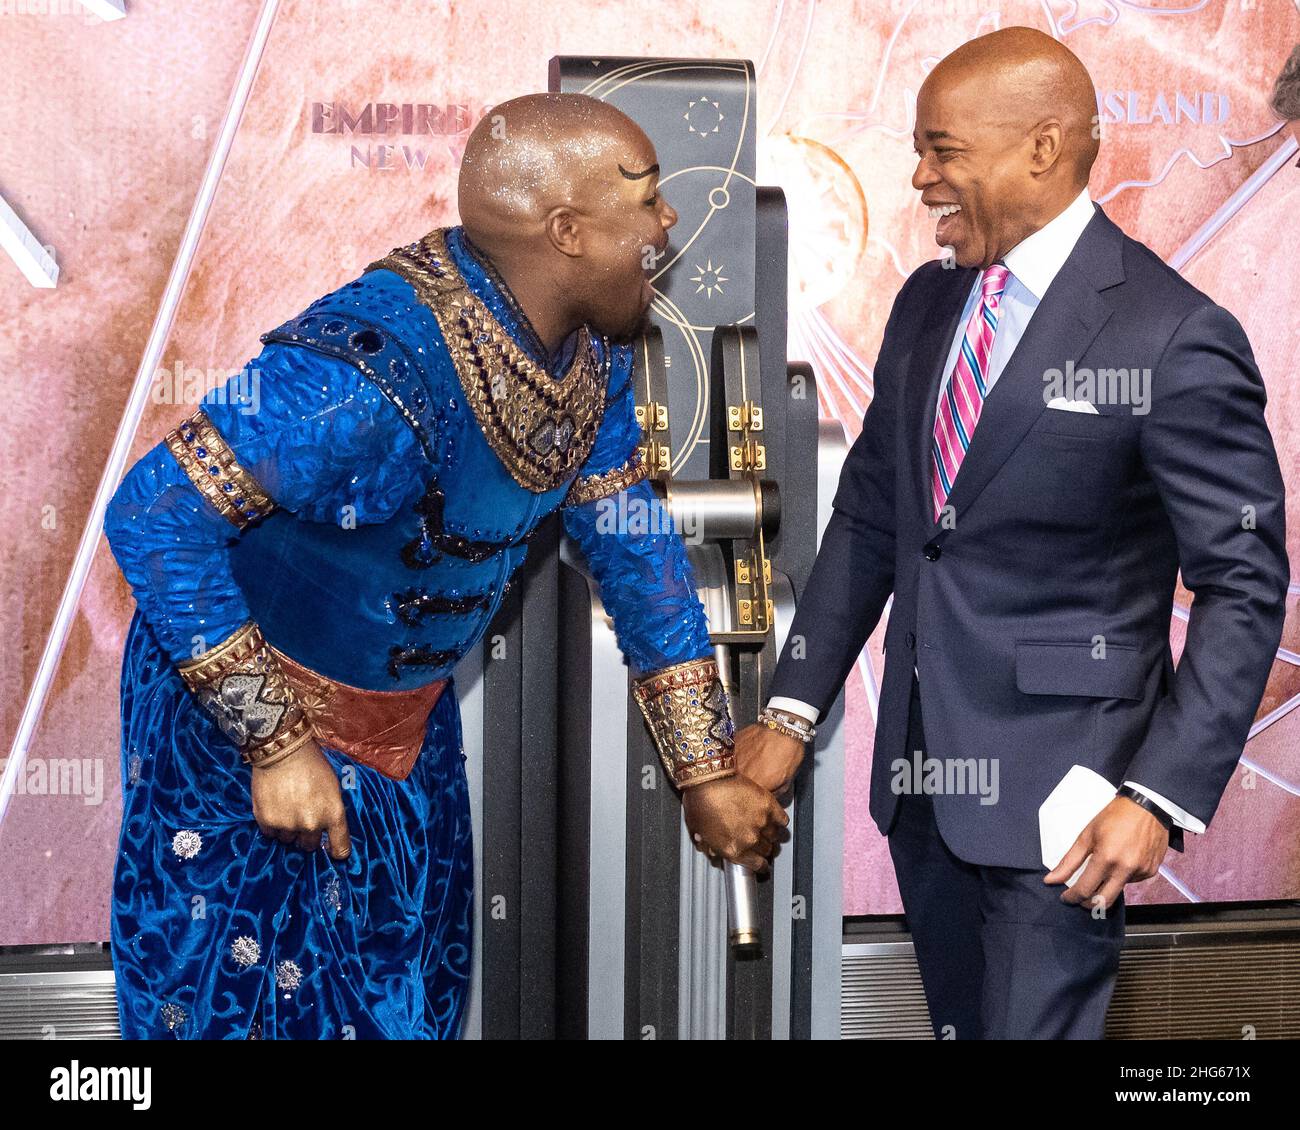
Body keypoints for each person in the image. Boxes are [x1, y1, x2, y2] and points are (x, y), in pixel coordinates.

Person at [103, 92, 786, 1040]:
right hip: (237, 750)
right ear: (567, 230)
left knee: (402, 1006)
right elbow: (152, 513)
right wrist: (277, 744)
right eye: (647, 198)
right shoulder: (371, 365)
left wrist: (705, 770)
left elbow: (638, 555)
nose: (669, 220)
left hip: (401, 738)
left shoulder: (589, 364)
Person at [737, 27, 1288, 1039]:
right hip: (923, 786)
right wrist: (791, 709)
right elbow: (870, 516)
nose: (919, 177)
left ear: (1040, 148)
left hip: (1070, 803)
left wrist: (1156, 793)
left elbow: (1242, 583)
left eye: (942, 150)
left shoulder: (1171, 333)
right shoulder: (926, 299)